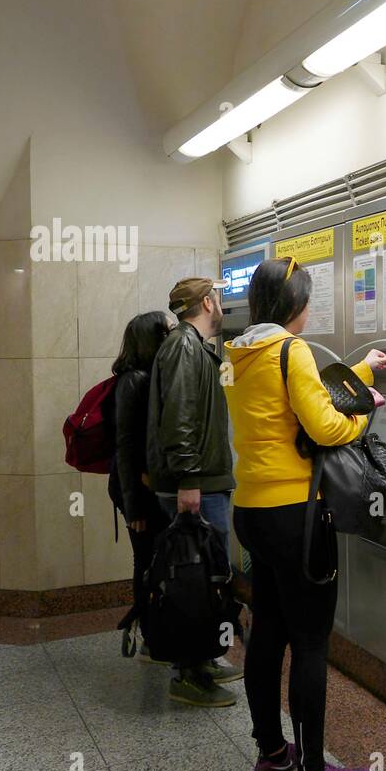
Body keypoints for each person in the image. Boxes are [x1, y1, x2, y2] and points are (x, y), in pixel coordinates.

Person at [225, 256, 386, 771]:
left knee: (268, 631)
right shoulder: (290, 349)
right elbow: (322, 423)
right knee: (312, 642)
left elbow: (297, 400)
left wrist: (359, 371)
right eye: (307, 299)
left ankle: (272, 752)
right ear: (295, 304)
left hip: (252, 512)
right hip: (297, 514)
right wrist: (367, 412)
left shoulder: (240, 353)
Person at [146, 275, 241, 706]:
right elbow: (179, 418)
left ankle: (200, 660)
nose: (221, 306)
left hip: (201, 481)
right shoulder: (186, 347)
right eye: (217, 299)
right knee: (194, 580)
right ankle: (187, 673)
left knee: (204, 576)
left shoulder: (191, 346)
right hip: (196, 484)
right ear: (206, 302)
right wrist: (188, 481)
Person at [108, 311, 172, 656]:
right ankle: (149, 636)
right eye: (165, 332)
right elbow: (126, 447)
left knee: (153, 558)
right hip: (136, 490)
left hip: (146, 487)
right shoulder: (134, 382)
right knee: (146, 560)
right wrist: (134, 507)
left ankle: (152, 629)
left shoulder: (147, 377)